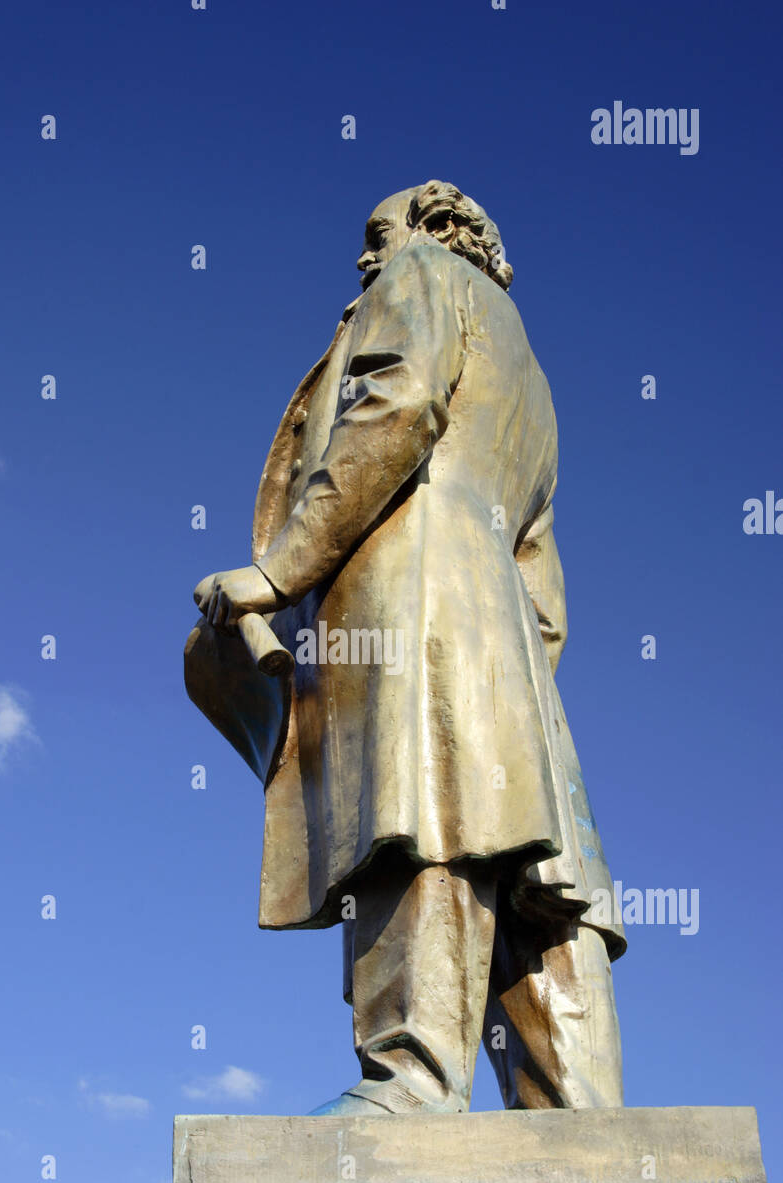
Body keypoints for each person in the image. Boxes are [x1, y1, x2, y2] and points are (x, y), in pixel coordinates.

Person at [189, 181, 625, 1117]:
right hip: (499, 628)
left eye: (376, 234)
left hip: (412, 591)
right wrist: (517, 684)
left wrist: (278, 571)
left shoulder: (422, 276)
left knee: (418, 811)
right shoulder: (530, 374)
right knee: (526, 863)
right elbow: (543, 583)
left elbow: (395, 406)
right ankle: (581, 1120)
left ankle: (413, 1079)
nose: (365, 257)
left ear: (433, 232)